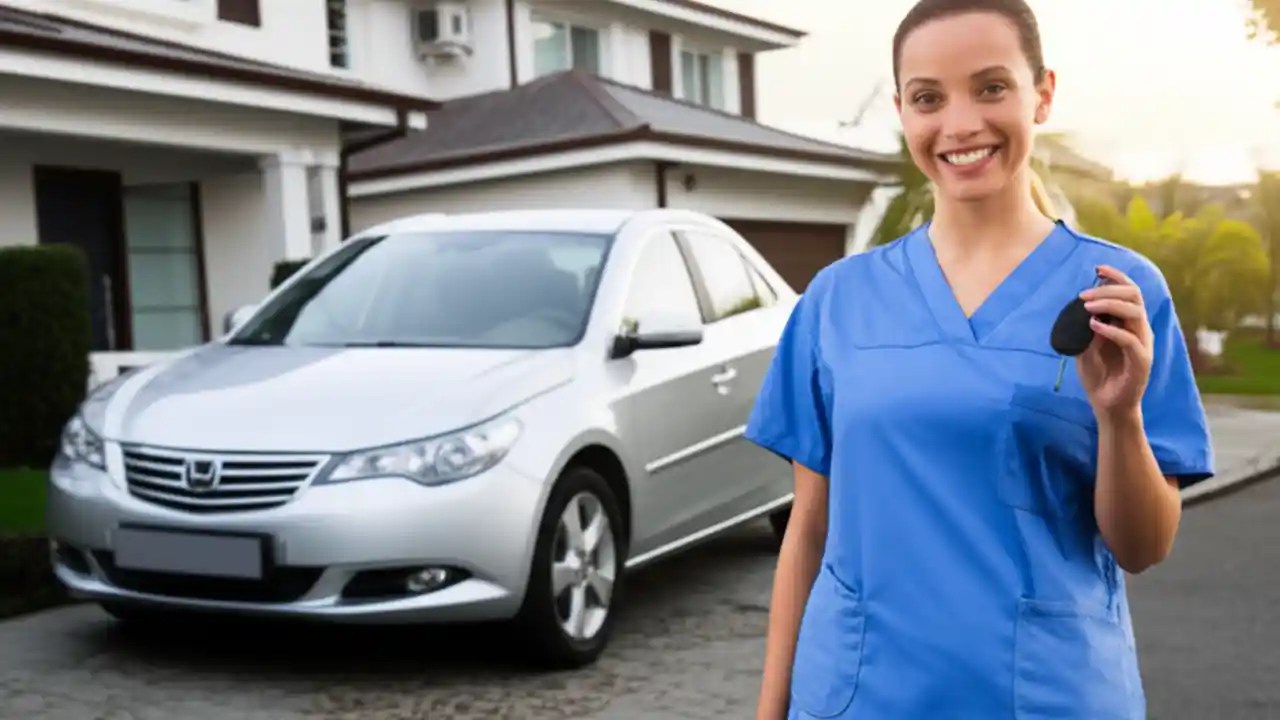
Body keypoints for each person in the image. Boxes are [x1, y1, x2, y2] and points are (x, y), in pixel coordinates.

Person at [743, 1, 1215, 718]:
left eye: (991, 87)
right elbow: (809, 528)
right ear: (902, 110)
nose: (960, 124)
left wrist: (1118, 419)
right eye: (928, 97)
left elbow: (1143, 547)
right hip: (859, 696)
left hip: (1045, 696)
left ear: (1042, 93)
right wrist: (769, 710)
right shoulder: (837, 302)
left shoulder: (1117, 294)